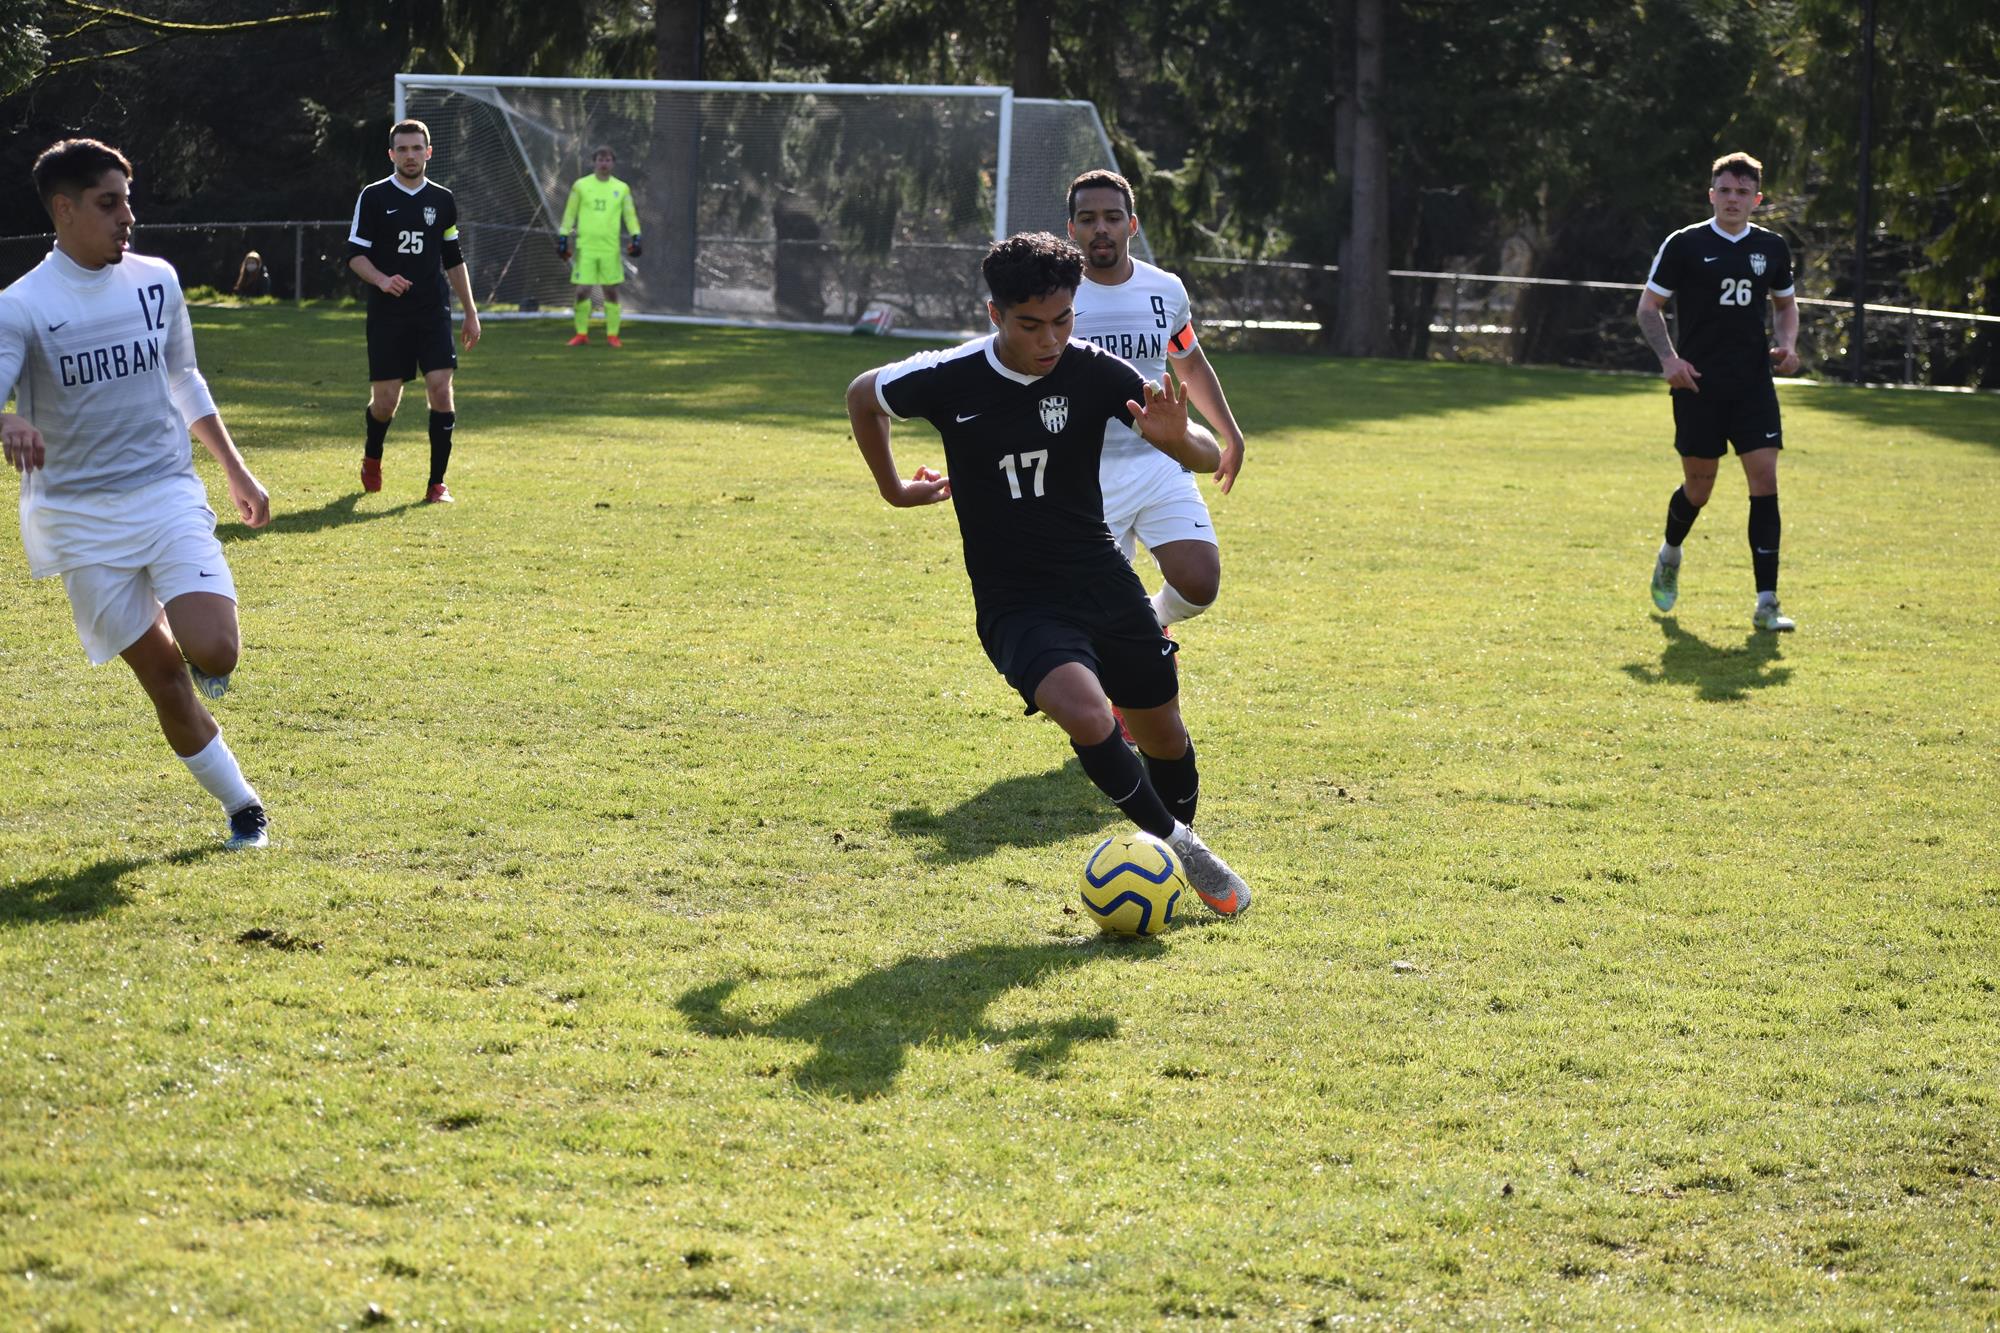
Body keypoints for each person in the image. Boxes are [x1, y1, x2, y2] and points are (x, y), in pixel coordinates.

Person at [844, 231, 1252, 918]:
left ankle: (1169, 859)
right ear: (994, 314)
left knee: (1165, 737)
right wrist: (892, 488)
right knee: (1089, 714)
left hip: (1101, 581)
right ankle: (1180, 843)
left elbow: (1207, 455)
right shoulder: (951, 377)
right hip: (1016, 599)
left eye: (1063, 321)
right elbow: (864, 395)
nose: (1050, 339)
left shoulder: (1094, 372)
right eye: (1030, 324)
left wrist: (1177, 435)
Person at [0, 138, 274, 849]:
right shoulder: (22, 305)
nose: (129, 216)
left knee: (215, 651)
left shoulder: (157, 280)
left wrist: (236, 471)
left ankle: (190, 630)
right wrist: (8, 419)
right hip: (78, 519)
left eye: (128, 199)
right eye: (109, 202)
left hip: (164, 491)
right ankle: (244, 807)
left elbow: (185, 378)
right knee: (164, 679)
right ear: (64, 210)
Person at [1067, 170, 1246, 633]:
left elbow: (1188, 362)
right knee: (1096, 608)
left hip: (1158, 458)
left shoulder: (1165, 289)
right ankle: (1118, 694)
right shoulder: (1054, 294)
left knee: (1199, 583)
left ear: (1132, 225)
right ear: (1072, 229)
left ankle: (1153, 621)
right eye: (1088, 219)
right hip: (1082, 472)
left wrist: (1229, 432)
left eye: (1112, 217)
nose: (1100, 228)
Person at [1638, 151, 1800, 631]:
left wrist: (1788, 345)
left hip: (1752, 385)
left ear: (1757, 199)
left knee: (1764, 480)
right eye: (1725, 190)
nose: (1733, 199)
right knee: (1699, 488)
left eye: (1742, 192)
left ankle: (1767, 603)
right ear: (1712, 195)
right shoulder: (1684, 244)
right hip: (1698, 385)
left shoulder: (1772, 248)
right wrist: (1670, 360)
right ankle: (1670, 554)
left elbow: (1786, 307)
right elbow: (1649, 308)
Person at [346, 118, 480, 504]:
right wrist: (383, 280)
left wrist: (470, 312)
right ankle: (373, 455)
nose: (409, 155)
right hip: (388, 314)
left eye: (416, 148)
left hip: (432, 310)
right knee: (386, 402)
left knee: (441, 388)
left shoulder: (442, 199)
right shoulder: (373, 196)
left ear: (428, 152)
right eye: (402, 149)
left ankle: (437, 484)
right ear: (391, 154)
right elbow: (355, 255)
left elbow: (453, 257)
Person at [557, 147, 642, 347]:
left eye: (608, 160)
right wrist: (563, 236)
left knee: (611, 292)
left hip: (609, 249)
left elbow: (629, 215)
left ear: (613, 163)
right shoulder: (581, 186)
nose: (604, 163)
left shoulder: (621, 188)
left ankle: (612, 335)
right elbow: (570, 213)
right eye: (601, 160)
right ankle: (581, 333)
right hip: (586, 248)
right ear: (594, 162)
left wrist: (636, 236)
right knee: (582, 291)